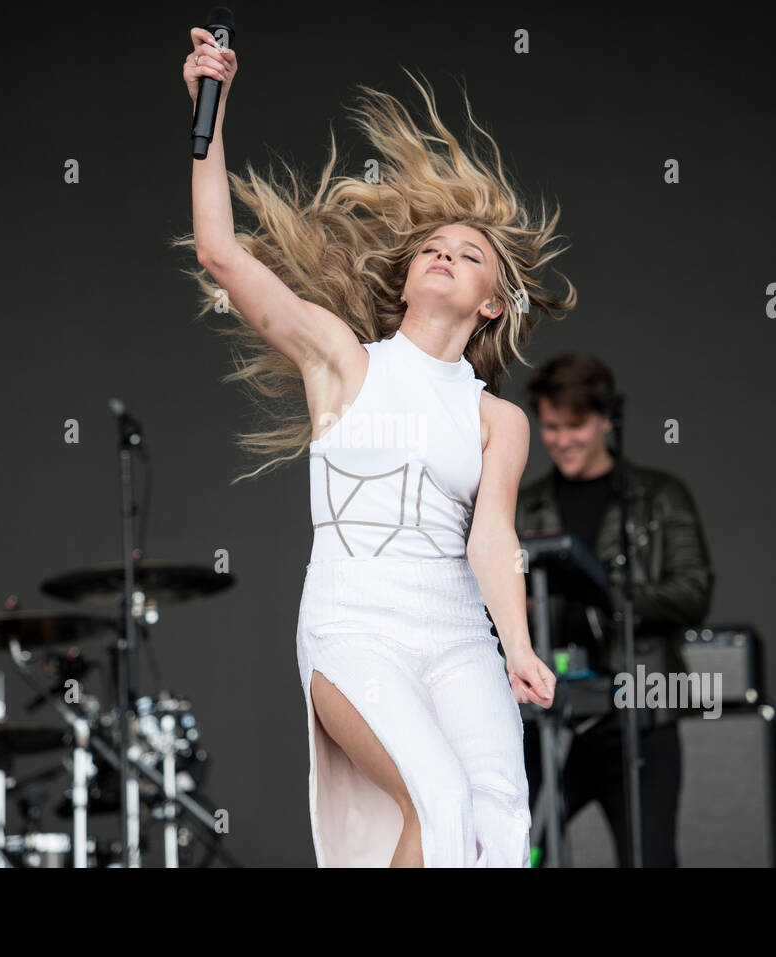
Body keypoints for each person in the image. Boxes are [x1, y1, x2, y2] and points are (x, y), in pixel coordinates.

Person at [175, 28, 579, 866]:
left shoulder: (497, 419)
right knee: (434, 801)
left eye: (470, 255)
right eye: (433, 246)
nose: (445, 253)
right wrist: (206, 109)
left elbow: (493, 538)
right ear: (405, 276)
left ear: (492, 304)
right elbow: (219, 252)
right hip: (355, 626)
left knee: (499, 825)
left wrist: (520, 647)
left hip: (460, 635)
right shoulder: (342, 361)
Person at [515, 354, 715, 866]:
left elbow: (692, 592)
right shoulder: (525, 504)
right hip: (550, 717)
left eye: (575, 425)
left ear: (607, 419)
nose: (561, 440)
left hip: (639, 718)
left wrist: (606, 593)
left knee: (648, 860)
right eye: (551, 426)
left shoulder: (659, 496)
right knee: (519, 852)